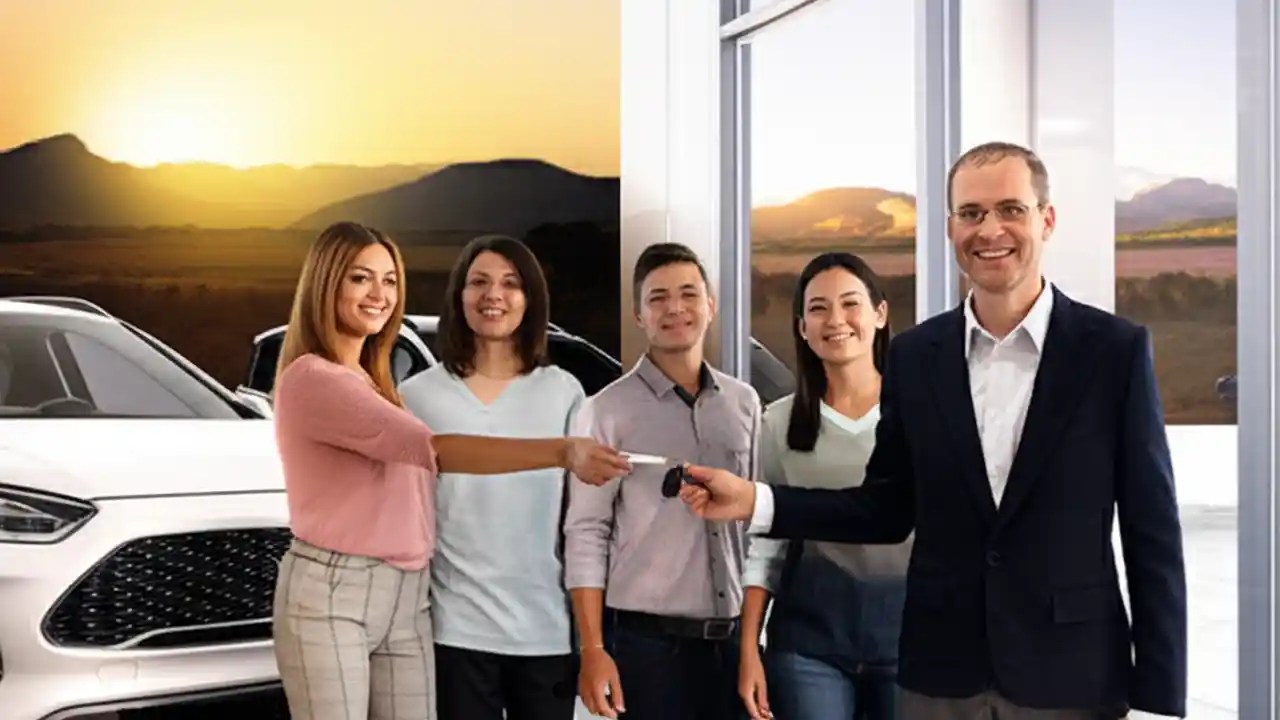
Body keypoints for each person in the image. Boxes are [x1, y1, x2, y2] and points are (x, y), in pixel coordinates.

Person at [681, 142, 1188, 719]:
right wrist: (755, 500)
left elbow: (1152, 531)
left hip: (1072, 673)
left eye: (1010, 210)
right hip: (940, 674)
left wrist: (1158, 692)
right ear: (951, 228)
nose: (989, 229)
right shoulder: (917, 357)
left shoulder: (1113, 352)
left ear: (1046, 220)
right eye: (970, 213)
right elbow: (886, 508)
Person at [270, 221, 631, 720]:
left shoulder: (377, 384)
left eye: (390, 280)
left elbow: (584, 527)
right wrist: (563, 451)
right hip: (382, 602)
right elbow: (431, 451)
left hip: (417, 600)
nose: (379, 294)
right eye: (360, 278)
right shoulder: (344, 383)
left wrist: (592, 643)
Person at [563, 242, 761, 720]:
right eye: (658, 298)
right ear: (638, 315)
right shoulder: (606, 410)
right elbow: (586, 533)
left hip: (732, 644)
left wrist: (754, 644)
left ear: (710, 306)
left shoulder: (744, 404)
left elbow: (760, 528)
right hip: (645, 648)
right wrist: (592, 649)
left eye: (688, 294)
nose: (675, 308)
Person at [398, 235, 584, 720]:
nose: (493, 295)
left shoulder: (563, 392)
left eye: (510, 283)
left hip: (544, 628)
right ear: (458, 297)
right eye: (478, 282)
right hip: (452, 629)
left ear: (531, 300)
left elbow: (583, 522)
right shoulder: (416, 396)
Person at [738, 252, 910, 720]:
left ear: (879, 314)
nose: (835, 320)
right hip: (808, 649)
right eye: (818, 308)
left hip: (910, 644)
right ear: (801, 327)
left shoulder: (921, 415)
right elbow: (764, 550)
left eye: (850, 303)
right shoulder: (776, 424)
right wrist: (748, 648)